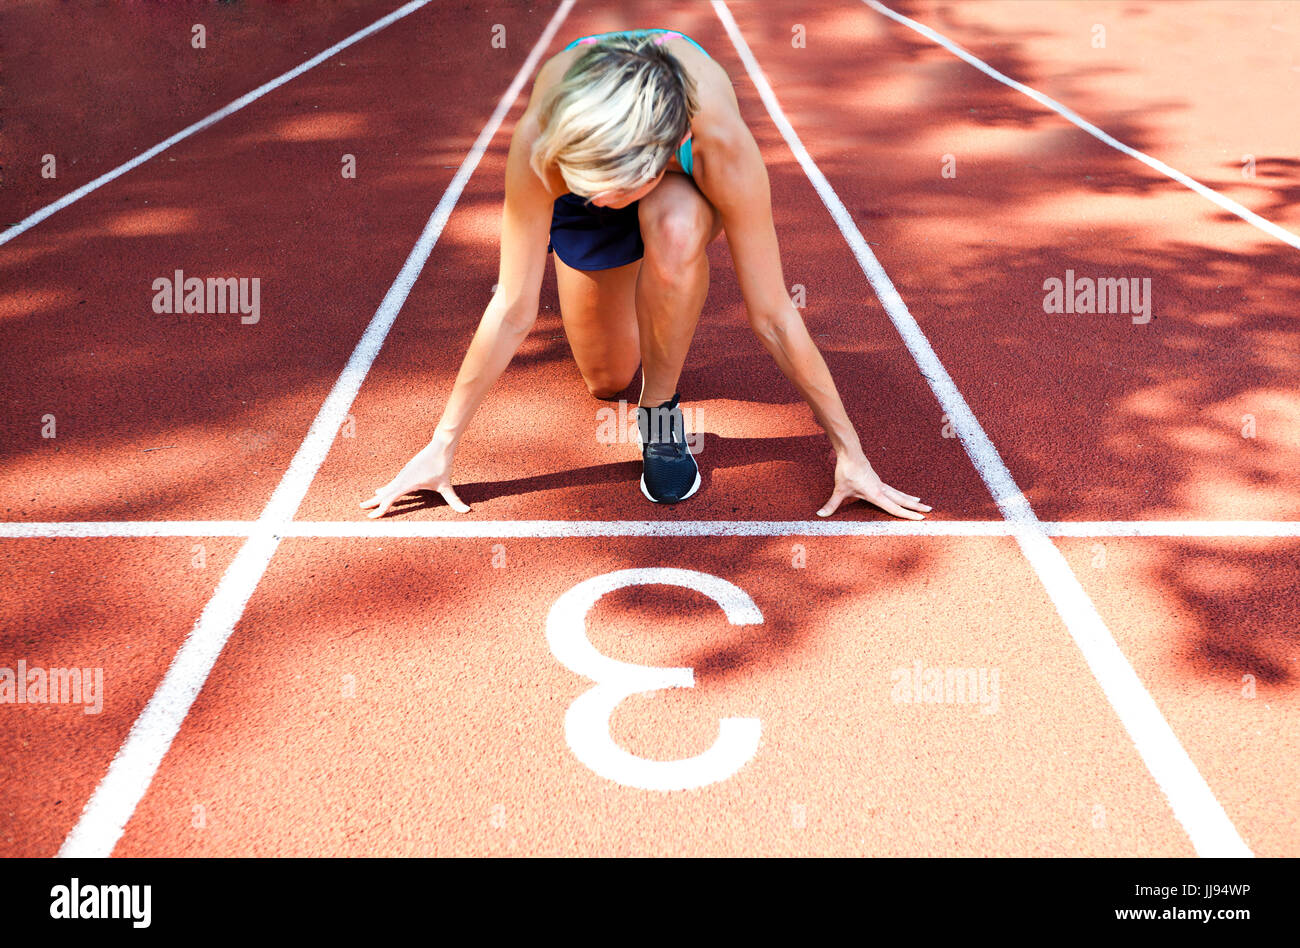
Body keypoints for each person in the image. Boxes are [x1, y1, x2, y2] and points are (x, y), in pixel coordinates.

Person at [361, 28, 930, 519]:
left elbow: (774, 314)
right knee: (607, 381)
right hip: (600, 161)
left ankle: (659, 416)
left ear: (665, 157)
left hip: (673, 192)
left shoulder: (719, 144)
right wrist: (443, 443)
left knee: (677, 231)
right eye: (589, 189)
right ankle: (621, 286)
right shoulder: (545, 141)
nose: (603, 201)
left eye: (613, 194)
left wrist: (849, 451)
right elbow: (512, 304)